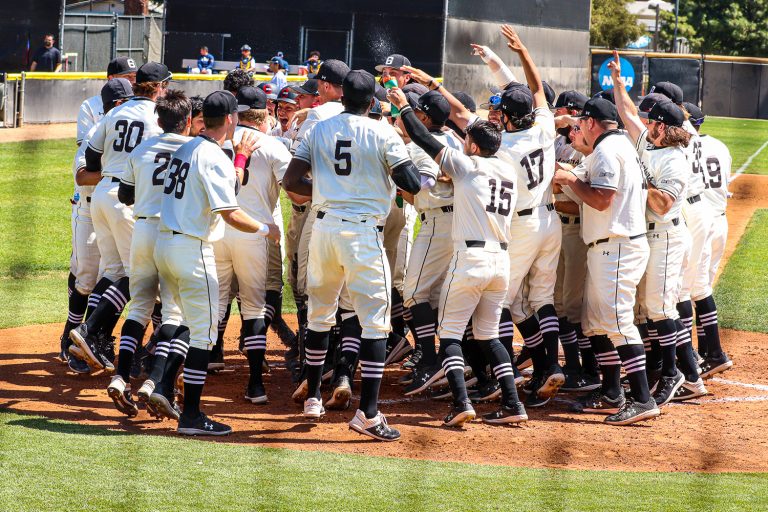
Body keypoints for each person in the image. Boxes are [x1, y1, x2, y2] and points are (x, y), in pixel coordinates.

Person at [283, 69, 423, 441]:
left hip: (325, 228)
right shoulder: (383, 132)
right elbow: (411, 183)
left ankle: (312, 396)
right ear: (372, 100)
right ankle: (369, 414)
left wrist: (329, 189)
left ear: (342, 95)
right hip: (362, 232)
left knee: (319, 315)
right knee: (375, 322)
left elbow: (292, 181)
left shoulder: (319, 129)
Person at [390, 82, 529, 426]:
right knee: (489, 336)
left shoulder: (468, 166)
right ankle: (513, 404)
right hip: (501, 263)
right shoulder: (506, 170)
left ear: (474, 145)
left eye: (468, 139)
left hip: (471, 260)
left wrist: (403, 107)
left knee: (450, 334)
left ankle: (461, 402)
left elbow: (424, 139)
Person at [155, 90, 279, 435]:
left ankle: (161, 385)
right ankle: (191, 416)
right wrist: (265, 229)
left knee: (182, 321)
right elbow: (230, 213)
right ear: (229, 119)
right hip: (193, 250)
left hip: (165, 245)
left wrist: (238, 160)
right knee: (204, 335)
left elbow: (224, 187)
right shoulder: (212, 156)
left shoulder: (186, 147)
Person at [554, 97, 660, 426]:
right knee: (596, 322)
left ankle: (642, 399)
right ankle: (612, 391)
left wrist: (570, 180)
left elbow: (602, 199)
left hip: (618, 247)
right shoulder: (615, 145)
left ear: (591, 123)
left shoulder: (607, 151)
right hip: (609, 247)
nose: (578, 127)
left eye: (581, 122)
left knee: (616, 322)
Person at [609, 51, 702, 406]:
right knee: (649, 308)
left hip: (667, 236)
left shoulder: (675, 160)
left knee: (661, 308)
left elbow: (662, 203)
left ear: (663, 126)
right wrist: (619, 80)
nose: (646, 124)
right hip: (650, 236)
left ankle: (673, 374)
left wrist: (635, 183)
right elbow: (627, 113)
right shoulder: (649, 141)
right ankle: (665, 372)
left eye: (652, 122)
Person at [69, 62, 172, 372]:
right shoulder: (156, 116)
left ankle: (91, 336)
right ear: (155, 87)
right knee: (138, 275)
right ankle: (91, 331)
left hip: (101, 197)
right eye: (164, 85)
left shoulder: (114, 113)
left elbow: (90, 156)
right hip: (128, 199)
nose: (166, 89)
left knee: (114, 271)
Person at [213, 85, 294, 404]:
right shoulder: (272, 146)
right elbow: (296, 190)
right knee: (254, 306)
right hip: (255, 234)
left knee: (215, 302)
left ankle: (200, 361)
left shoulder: (217, 142)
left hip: (218, 230)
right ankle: (256, 384)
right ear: (265, 115)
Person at [63, 78, 134, 374]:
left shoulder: (131, 128)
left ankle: (94, 338)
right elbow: (81, 175)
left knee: (116, 274)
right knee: (88, 279)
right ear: (118, 104)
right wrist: (117, 173)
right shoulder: (99, 129)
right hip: (92, 211)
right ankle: (74, 336)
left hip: (118, 210)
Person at [685, 101, 734, 382]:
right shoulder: (720, 147)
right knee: (701, 288)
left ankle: (706, 354)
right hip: (719, 221)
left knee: (689, 289)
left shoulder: (683, 147)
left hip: (697, 222)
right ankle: (706, 352)